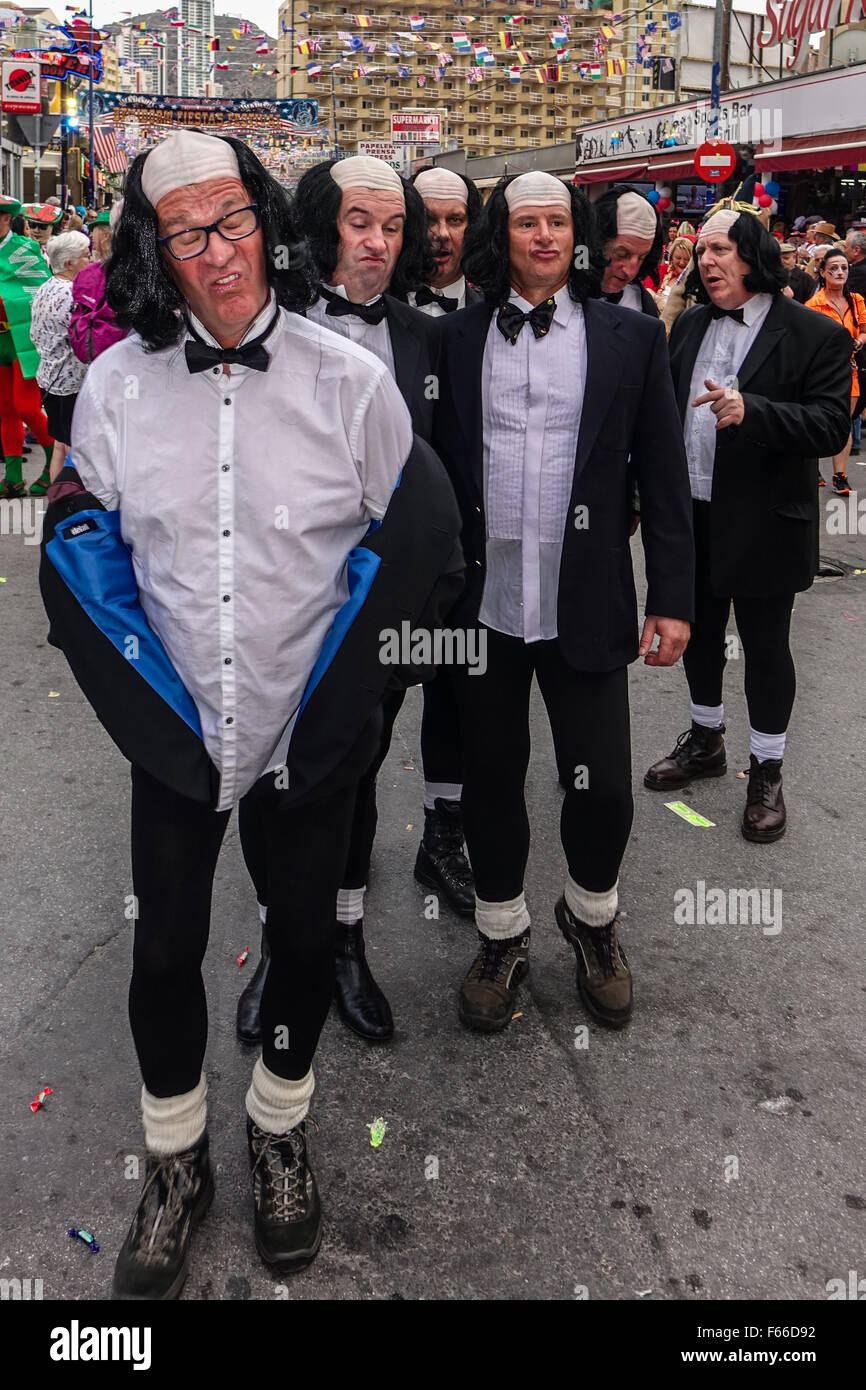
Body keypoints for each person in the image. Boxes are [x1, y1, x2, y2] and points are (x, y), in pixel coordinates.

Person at [39, 128, 461, 1298]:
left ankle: (280, 1129)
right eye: (185, 232)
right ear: (154, 250)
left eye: (231, 222)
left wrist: (356, 693)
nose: (216, 252)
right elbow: (83, 553)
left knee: (302, 941)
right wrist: (136, 702)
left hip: (304, 731)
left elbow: (422, 539)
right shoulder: (119, 384)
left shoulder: (349, 379)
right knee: (165, 947)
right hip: (179, 732)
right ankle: (175, 1160)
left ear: (268, 226)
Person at [432, 171, 695, 1034]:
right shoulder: (456, 338)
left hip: (586, 600)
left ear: (574, 234)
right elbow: (431, 476)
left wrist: (674, 599)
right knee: (491, 781)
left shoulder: (630, 337)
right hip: (485, 604)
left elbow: (661, 473)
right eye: (525, 222)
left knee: (603, 789)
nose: (543, 237)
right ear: (498, 235)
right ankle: (501, 934)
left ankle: (591, 921)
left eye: (556, 222)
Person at [238, 154, 473, 1048]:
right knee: (267, 774)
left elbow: (442, 481)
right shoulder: (267, 323)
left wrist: (432, 606)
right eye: (358, 223)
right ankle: (275, 939)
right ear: (321, 225)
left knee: (357, 768)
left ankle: (341, 940)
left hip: (380, 611)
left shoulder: (425, 337)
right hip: (277, 603)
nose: (377, 243)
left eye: (392, 227)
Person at [645, 204, 852, 843]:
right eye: (701, 253)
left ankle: (767, 769)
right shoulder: (689, 326)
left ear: (755, 257)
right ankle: (707, 737)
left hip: (766, 520)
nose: (707, 263)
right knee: (698, 634)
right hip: (693, 516)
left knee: (765, 649)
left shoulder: (816, 333)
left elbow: (829, 425)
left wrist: (753, 410)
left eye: (722, 251)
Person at [0, 194, 54, 499]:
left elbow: (41, 292)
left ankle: (54, 461)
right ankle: (13, 477)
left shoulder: (25, 249)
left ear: (7, 219)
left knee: (27, 407)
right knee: (5, 410)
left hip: (23, 339)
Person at [30, 231, 91, 481]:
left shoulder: (46, 287)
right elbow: (83, 338)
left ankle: (57, 500)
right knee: (75, 450)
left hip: (49, 378)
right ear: (70, 263)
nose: (91, 260)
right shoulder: (70, 293)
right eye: (86, 256)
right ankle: (73, 502)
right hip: (71, 383)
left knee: (60, 444)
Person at [806, 246, 866, 495]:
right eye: (833, 268)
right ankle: (812, 469)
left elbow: (863, 330)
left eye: (844, 267)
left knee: (844, 422)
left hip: (849, 371)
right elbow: (807, 341)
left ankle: (840, 475)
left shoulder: (856, 300)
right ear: (822, 272)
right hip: (822, 374)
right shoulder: (813, 305)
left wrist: (859, 341)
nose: (840, 272)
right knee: (819, 422)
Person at [408, 166, 484, 314]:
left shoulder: (492, 313)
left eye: (455, 220)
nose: (442, 234)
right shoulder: (377, 305)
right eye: (428, 219)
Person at [69, 202, 127, 366]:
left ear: (105, 234)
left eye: (93, 230)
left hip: (104, 363)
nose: (91, 235)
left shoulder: (90, 274)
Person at [594, 185, 663, 314]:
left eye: (642, 258)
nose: (630, 272)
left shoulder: (642, 307)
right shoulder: (557, 293)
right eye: (621, 254)